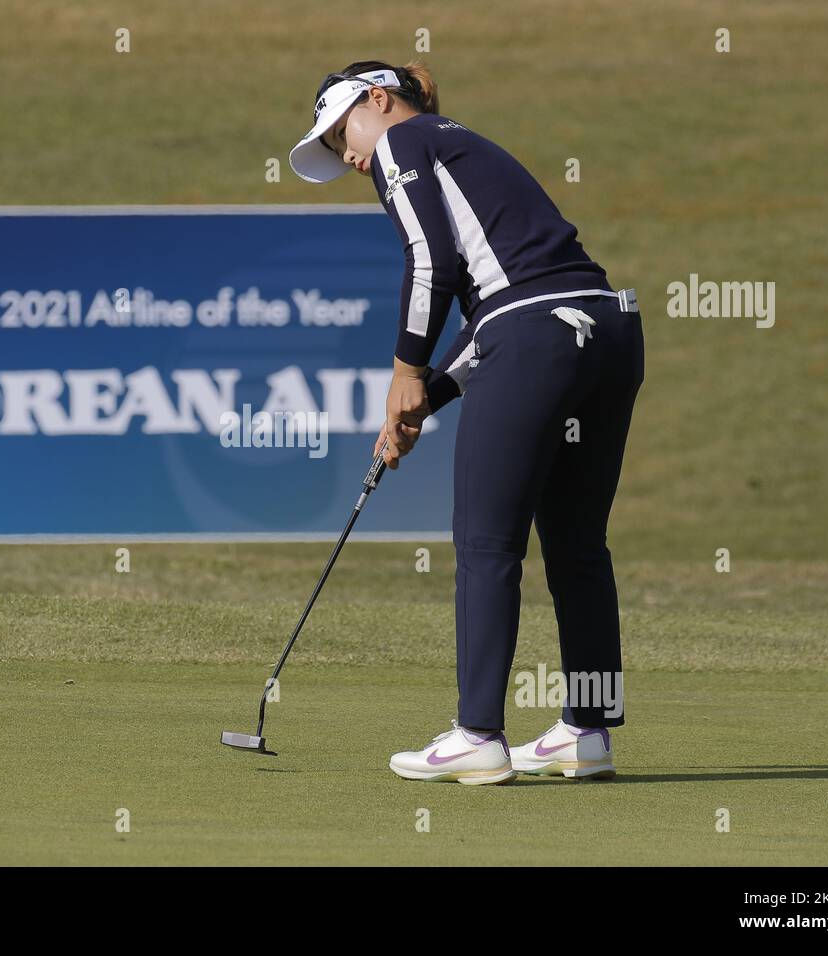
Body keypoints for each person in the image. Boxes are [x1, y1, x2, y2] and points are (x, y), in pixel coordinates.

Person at [288, 60, 644, 784]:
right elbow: (510, 307)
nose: (347, 156)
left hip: (536, 334)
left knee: (487, 541)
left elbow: (431, 265)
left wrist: (405, 373)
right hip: (605, 330)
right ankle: (587, 730)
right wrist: (429, 400)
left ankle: (478, 734)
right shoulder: (465, 144)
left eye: (338, 134)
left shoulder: (403, 144)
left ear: (378, 101)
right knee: (577, 546)